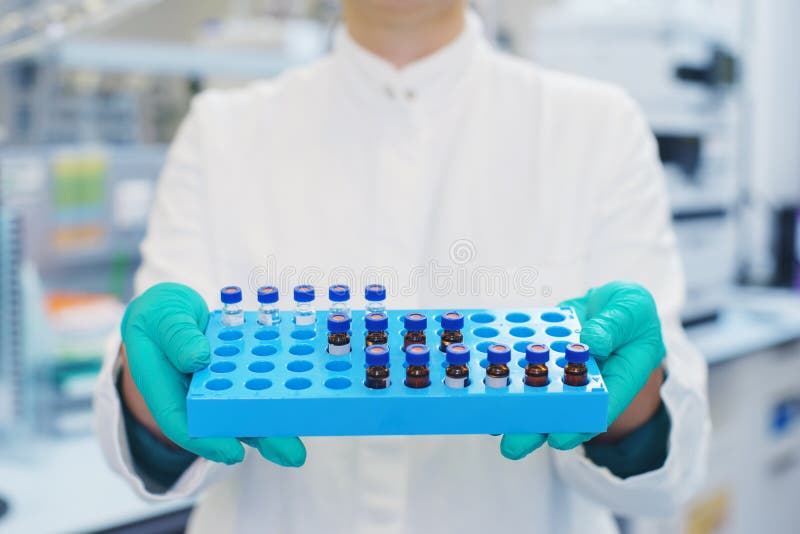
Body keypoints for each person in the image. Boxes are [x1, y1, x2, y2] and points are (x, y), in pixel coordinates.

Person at [94, 2, 710, 533]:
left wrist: (630, 403)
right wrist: (147, 394)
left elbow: (663, 474)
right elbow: (161, 433)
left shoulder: (597, 127)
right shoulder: (220, 132)